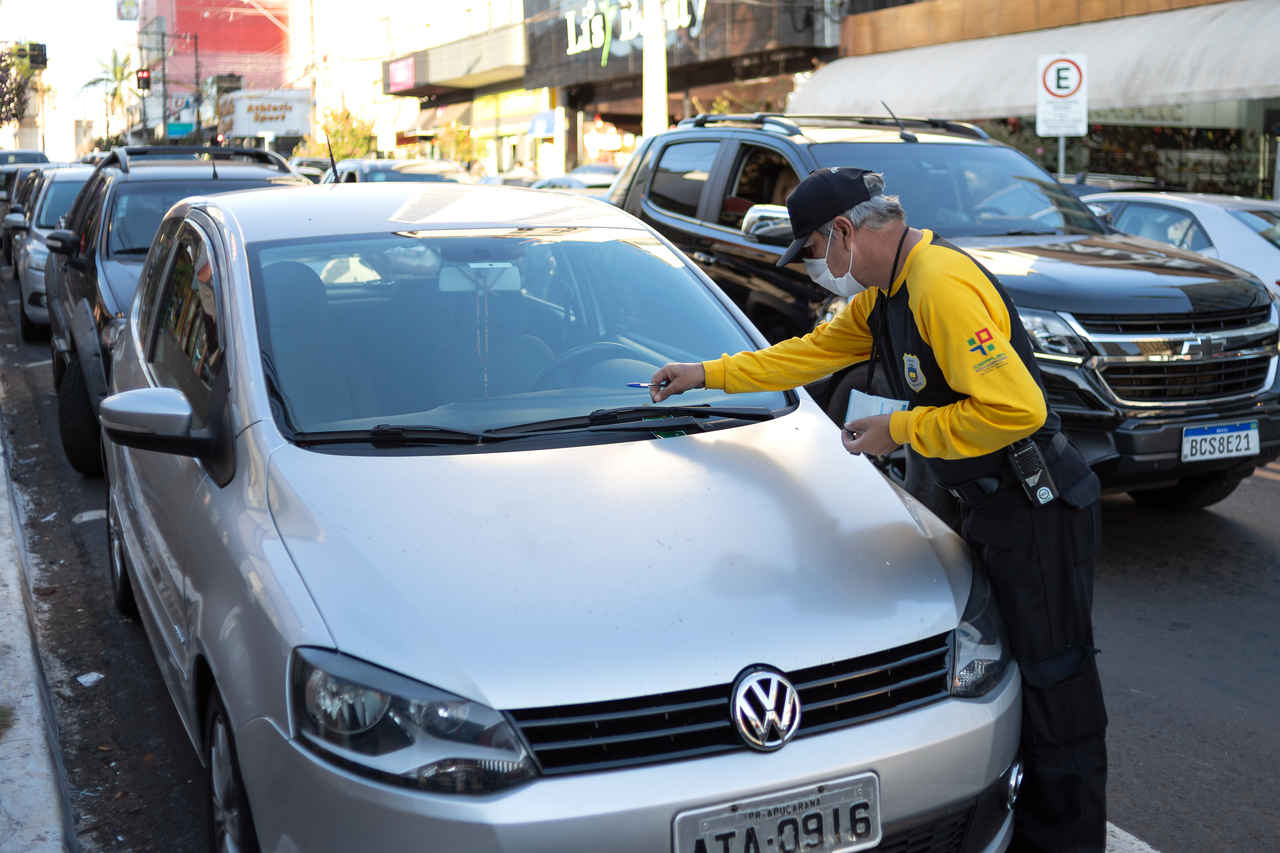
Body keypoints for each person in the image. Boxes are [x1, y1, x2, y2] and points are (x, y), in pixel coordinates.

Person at [649, 167, 1107, 853]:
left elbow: (1018, 410)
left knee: (1057, 690)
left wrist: (901, 430)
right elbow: (805, 355)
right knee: (1017, 682)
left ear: (843, 232)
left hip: (1036, 509)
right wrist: (706, 375)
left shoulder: (938, 286)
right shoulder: (888, 295)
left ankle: (1067, 842)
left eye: (811, 252)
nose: (817, 268)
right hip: (992, 508)